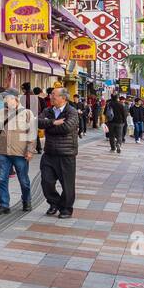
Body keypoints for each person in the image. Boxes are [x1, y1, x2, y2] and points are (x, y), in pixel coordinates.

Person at [0, 90, 36, 214]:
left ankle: (26, 201)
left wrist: (30, 151)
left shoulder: (27, 113)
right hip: (4, 152)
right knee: (2, 179)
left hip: (20, 153)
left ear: (16, 100)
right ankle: (4, 205)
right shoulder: (2, 113)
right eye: (5, 101)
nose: (6, 103)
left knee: (23, 180)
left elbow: (32, 134)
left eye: (8, 100)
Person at [38, 86, 79, 218]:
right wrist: (54, 122)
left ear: (63, 97)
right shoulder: (48, 110)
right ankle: (55, 203)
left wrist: (48, 127)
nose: (51, 97)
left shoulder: (71, 112)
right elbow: (38, 122)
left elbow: (66, 128)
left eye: (54, 95)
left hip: (66, 154)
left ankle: (66, 209)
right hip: (49, 153)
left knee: (67, 185)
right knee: (46, 182)